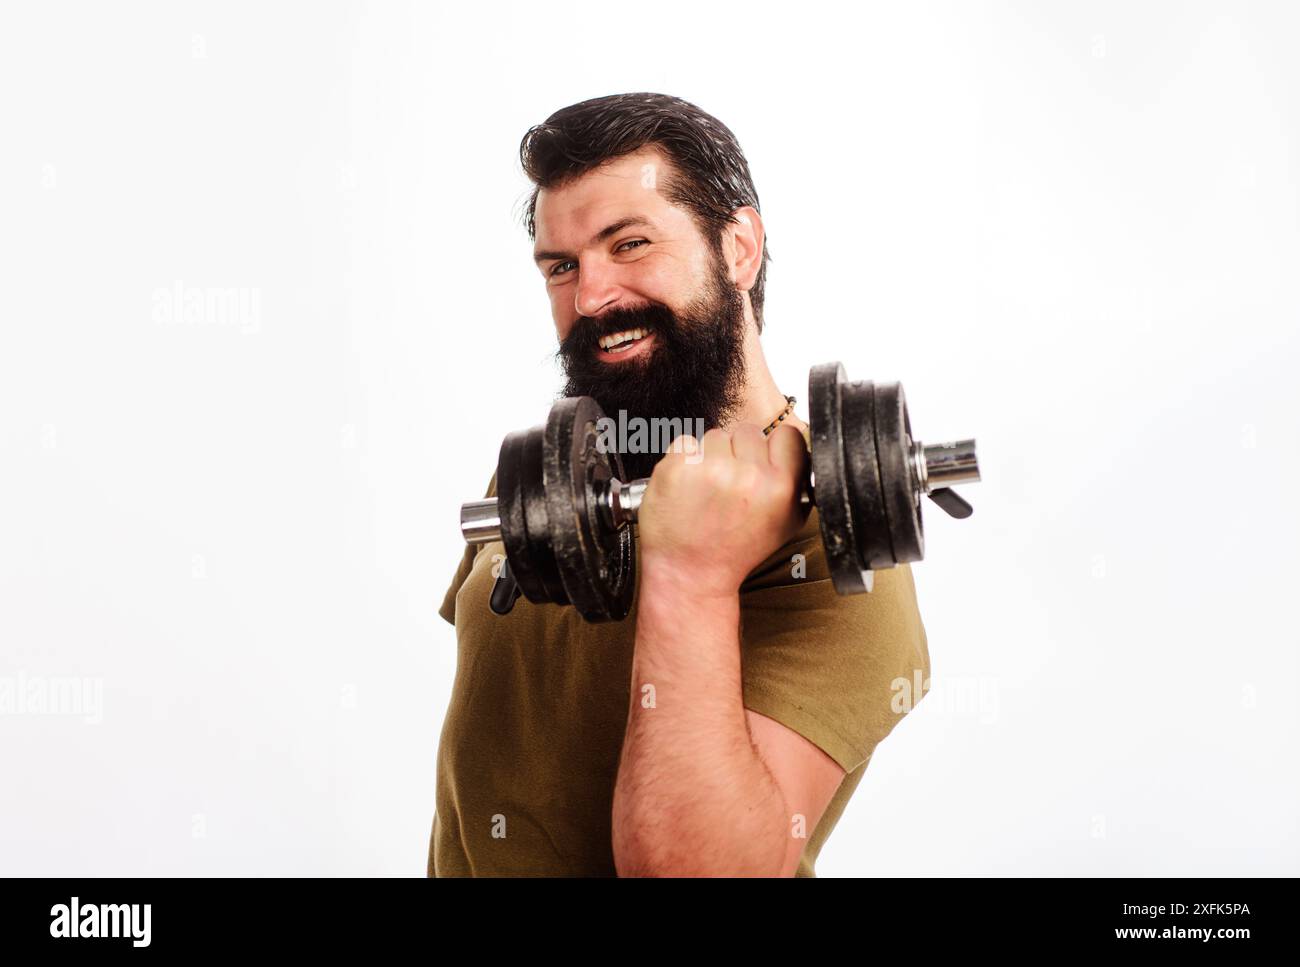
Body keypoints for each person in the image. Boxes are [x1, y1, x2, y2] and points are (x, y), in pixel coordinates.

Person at [431, 92, 931, 877]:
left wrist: (695, 576)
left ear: (738, 247)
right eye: (562, 266)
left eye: (628, 244)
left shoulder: (835, 559)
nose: (591, 297)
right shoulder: (544, 479)